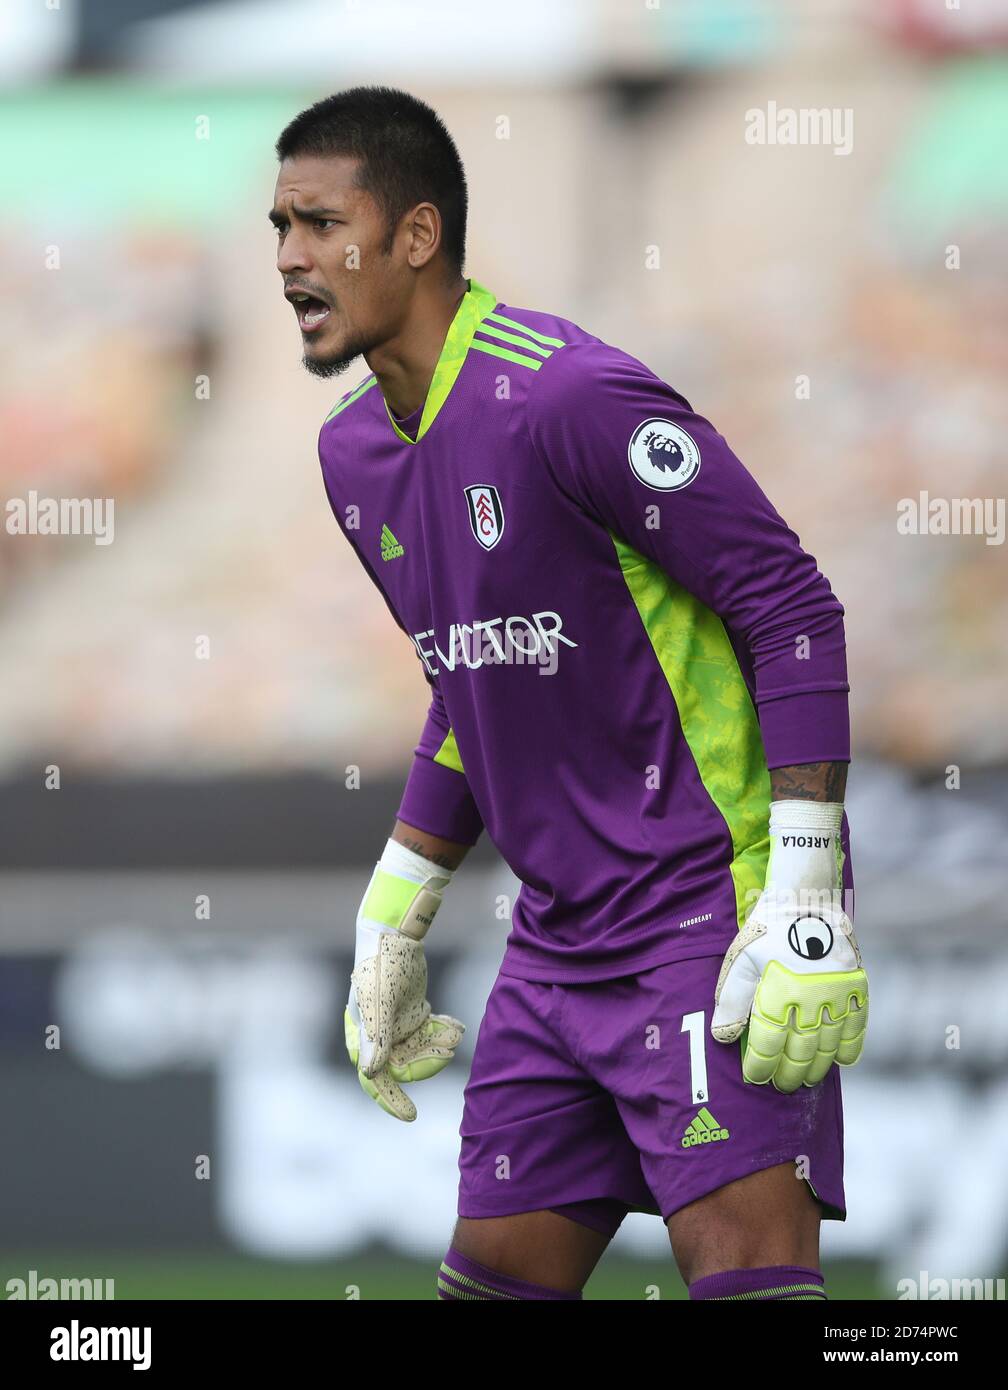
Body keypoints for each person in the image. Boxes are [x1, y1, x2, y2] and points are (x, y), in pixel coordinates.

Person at [270, 85, 868, 1302]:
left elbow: (792, 606)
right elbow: (472, 671)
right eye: (277, 229)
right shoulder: (353, 455)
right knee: (489, 1285)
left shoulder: (567, 396)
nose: (289, 261)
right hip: (554, 942)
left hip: (710, 915)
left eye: (322, 225)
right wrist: (396, 913)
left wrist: (807, 892)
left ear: (418, 236)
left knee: (749, 1284)